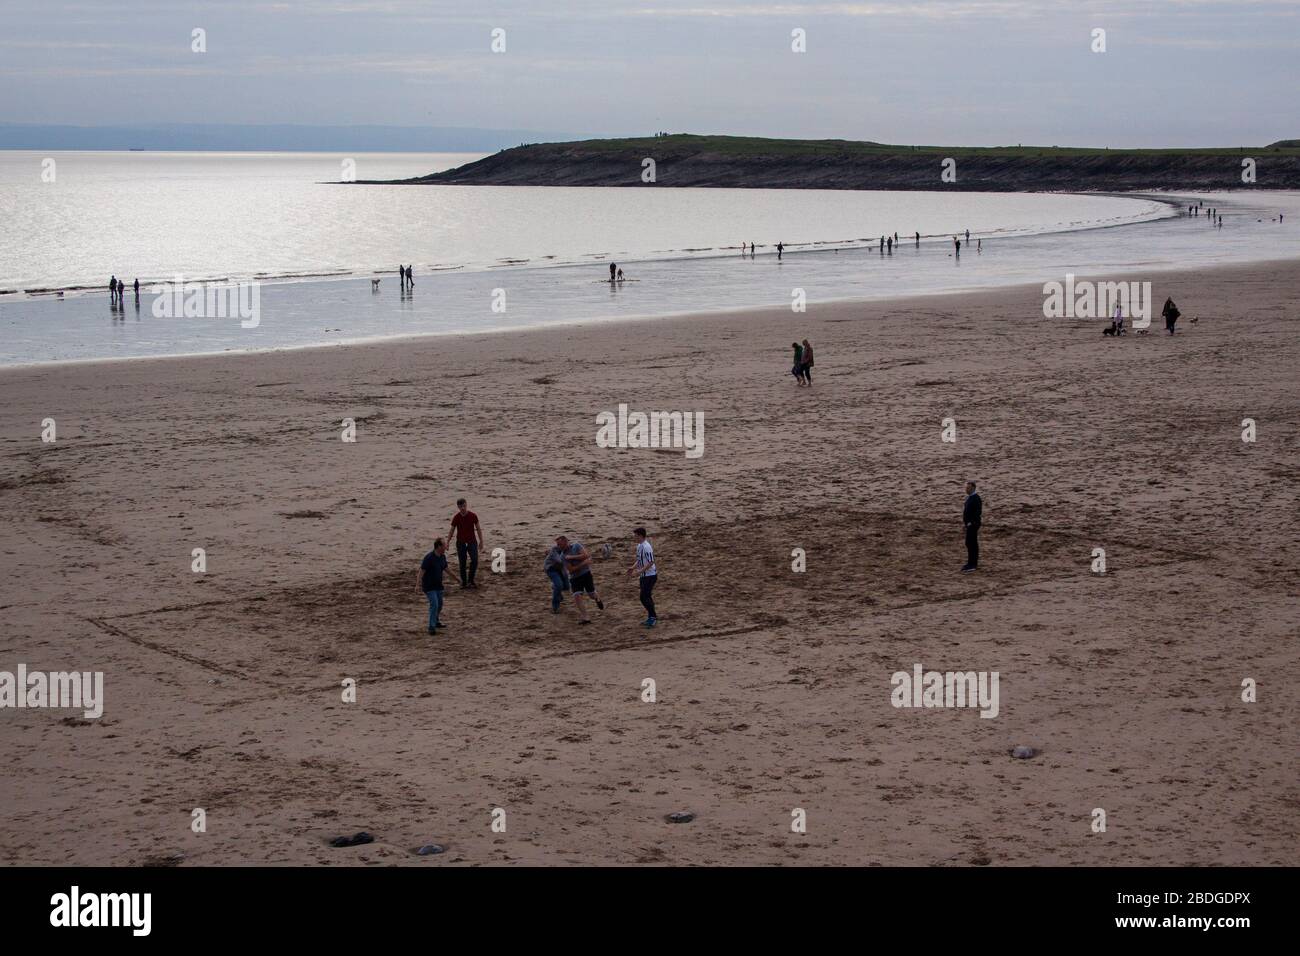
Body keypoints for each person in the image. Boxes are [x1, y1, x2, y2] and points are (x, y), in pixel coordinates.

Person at [557, 535, 603, 623]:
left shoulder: (576, 546)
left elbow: (586, 555)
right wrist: (583, 563)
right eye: (557, 545)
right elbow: (571, 570)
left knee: (591, 595)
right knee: (577, 596)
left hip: (586, 574)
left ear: (566, 542)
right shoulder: (562, 556)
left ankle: (597, 598)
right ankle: (585, 617)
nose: (558, 546)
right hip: (575, 578)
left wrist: (572, 557)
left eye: (559, 544)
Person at [626, 527, 658, 628]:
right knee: (646, 596)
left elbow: (651, 561)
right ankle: (652, 616)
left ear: (640, 536)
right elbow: (640, 560)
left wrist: (639, 571)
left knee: (643, 597)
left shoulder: (646, 547)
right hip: (644, 576)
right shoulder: (639, 546)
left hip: (650, 576)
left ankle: (653, 617)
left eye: (635, 536)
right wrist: (633, 567)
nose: (634, 538)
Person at [448, 498, 483, 588]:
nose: (463, 508)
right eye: (460, 507)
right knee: (462, 563)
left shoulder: (473, 516)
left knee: (474, 561)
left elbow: (478, 529)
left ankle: (471, 580)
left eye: (464, 506)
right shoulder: (456, 517)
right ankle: (464, 582)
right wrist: (447, 542)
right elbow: (452, 530)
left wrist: (481, 541)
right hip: (461, 542)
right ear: (458, 507)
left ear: (466, 505)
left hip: (472, 541)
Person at [417, 539, 449, 635]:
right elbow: (421, 571)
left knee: (439, 605)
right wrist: (417, 584)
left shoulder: (442, 557)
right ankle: (431, 627)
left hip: (438, 586)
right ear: (439, 546)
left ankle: (436, 621)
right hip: (429, 586)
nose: (446, 547)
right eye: (444, 545)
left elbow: (447, 569)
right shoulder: (429, 558)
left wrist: (458, 579)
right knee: (434, 604)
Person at [961, 481, 982, 573]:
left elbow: (977, 513)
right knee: (969, 543)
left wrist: (971, 523)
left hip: (973, 525)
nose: (966, 489)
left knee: (972, 544)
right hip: (969, 525)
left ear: (973, 488)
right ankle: (970, 563)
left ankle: (973, 564)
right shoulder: (970, 498)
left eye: (968, 488)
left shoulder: (976, 498)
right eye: (966, 488)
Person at [544, 541, 570, 614]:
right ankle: (555, 607)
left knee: (566, 587)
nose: (565, 547)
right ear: (558, 545)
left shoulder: (569, 548)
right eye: (561, 545)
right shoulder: (554, 550)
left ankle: (555, 587)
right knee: (559, 585)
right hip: (551, 569)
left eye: (566, 544)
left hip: (562, 570)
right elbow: (560, 560)